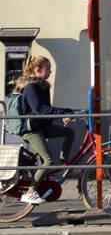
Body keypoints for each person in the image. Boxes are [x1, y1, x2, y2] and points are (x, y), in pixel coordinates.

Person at [15, 56, 76, 205]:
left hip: (42, 126)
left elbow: (47, 110)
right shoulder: (30, 87)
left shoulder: (42, 86)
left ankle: (63, 163)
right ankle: (30, 192)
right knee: (48, 160)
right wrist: (62, 113)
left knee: (69, 132)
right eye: (48, 69)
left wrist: (66, 113)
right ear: (37, 70)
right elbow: (40, 110)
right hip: (32, 129)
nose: (50, 71)